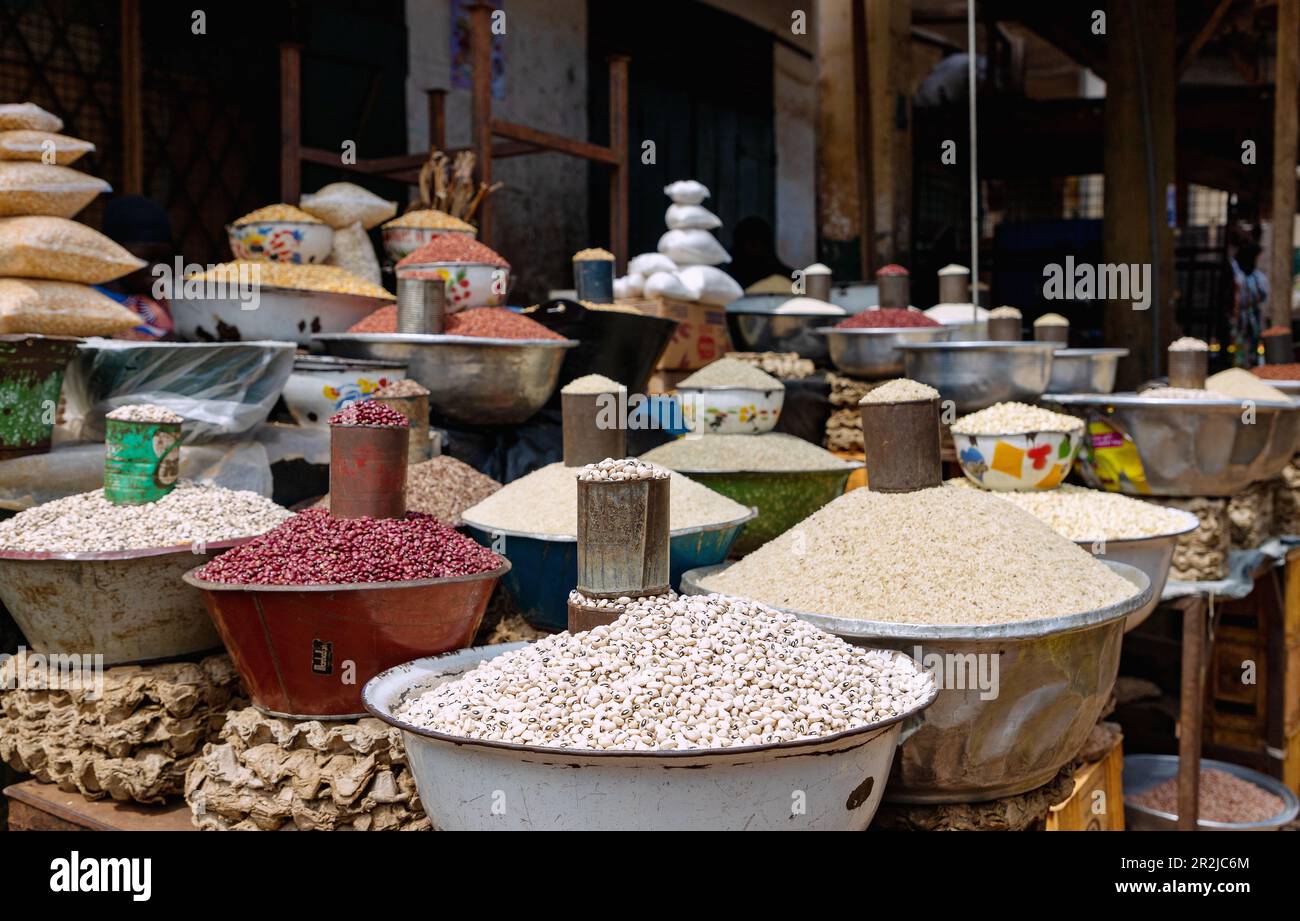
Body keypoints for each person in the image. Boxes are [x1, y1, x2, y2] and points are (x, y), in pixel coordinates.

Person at [96, 195, 176, 339]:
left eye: (164, 259)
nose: (158, 269)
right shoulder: (92, 306)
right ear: (114, 253)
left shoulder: (168, 301)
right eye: (147, 259)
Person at [1229, 229, 1268, 367]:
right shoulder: (1234, 273)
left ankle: (1251, 364)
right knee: (1237, 344)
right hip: (1237, 316)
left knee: (1253, 342)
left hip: (1251, 315)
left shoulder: (1257, 277)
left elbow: (1262, 295)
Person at [728, 216, 792, 290]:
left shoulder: (783, 274)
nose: (752, 246)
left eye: (755, 242)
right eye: (749, 241)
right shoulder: (733, 274)